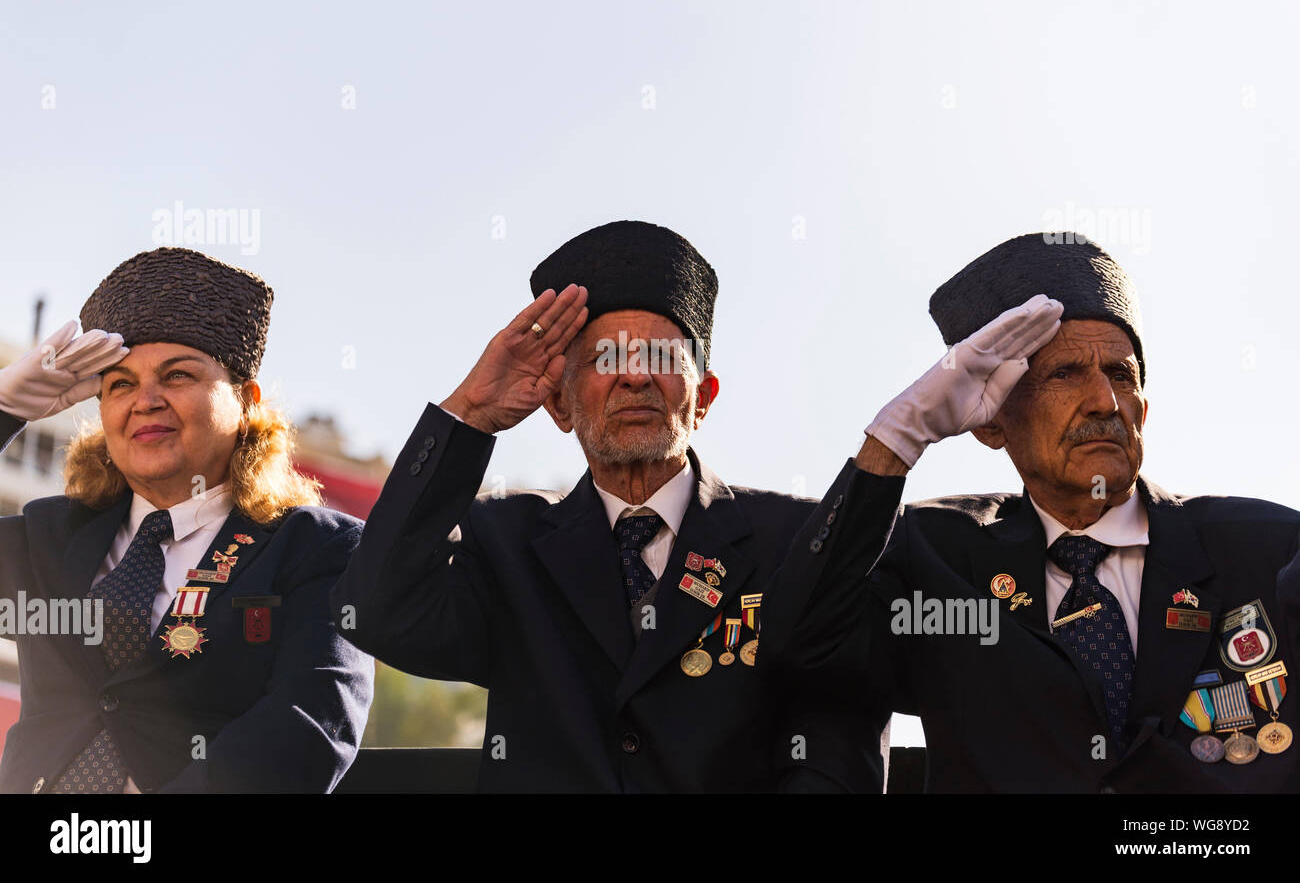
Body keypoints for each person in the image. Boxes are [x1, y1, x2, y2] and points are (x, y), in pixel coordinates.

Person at [332, 219, 884, 792]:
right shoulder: (504, 543)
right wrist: (471, 413)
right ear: (558, 404)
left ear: (704, 399)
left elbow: (836, 742)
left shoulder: (799, 541)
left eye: (664, 357)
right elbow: (375, 610)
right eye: (604, 358)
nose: (637, 375)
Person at [760, 232, 1300, 792]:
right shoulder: (934, 557)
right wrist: (898, 436)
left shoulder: (1266, 547)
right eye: (1064, 373)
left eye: (1122, 375)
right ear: (990, 422)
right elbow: (800, 644)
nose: (1104, 402)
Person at [0, 246, 373, 793]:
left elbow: (307, 729)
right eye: (120, 383)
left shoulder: (318, 550)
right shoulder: (48, 536)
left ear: (246, 400)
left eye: (177, 376)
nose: (145, 400)